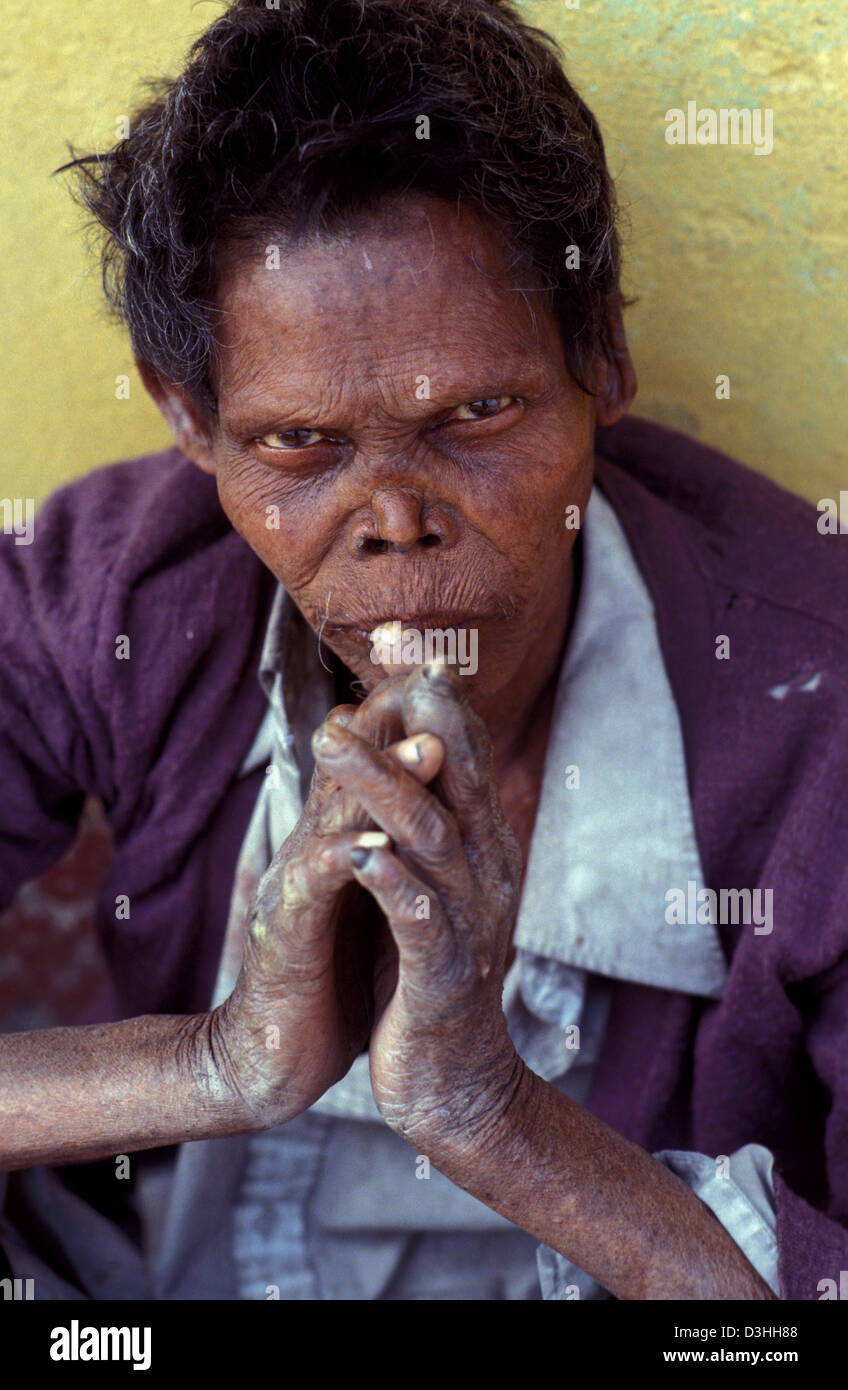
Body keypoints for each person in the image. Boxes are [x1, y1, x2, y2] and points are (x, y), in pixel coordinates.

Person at [1, 0, 846, 1301]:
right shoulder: (111, 594)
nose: (395, 520)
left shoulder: (817, 696)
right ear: (190, 420)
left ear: (602, 361)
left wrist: (492, 1114)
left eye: (480, 413)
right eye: (300, 445)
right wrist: (216, 1064)